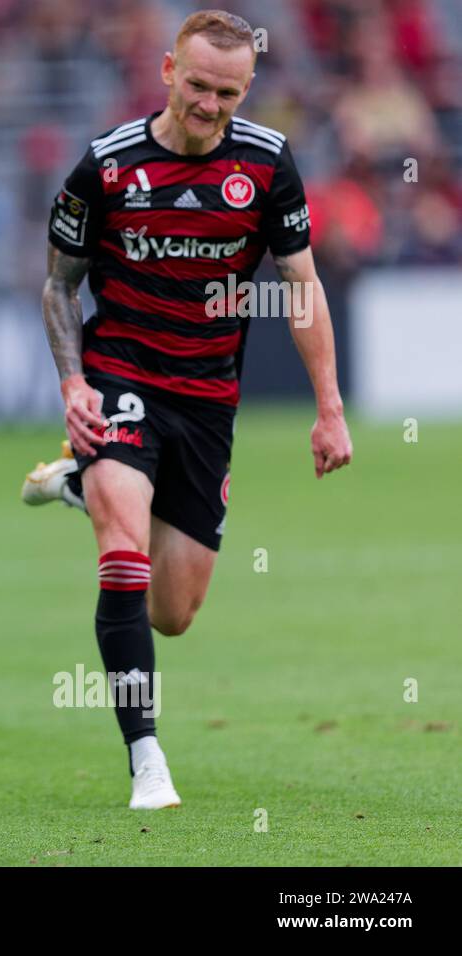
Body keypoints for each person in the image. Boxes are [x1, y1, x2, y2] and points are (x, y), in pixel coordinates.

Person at [21, 10, 352, 810]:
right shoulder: (106, 167)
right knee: (122, 549)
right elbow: (60, 288)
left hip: (207, 402)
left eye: (228, 93)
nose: (209, 105)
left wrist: (330, 408)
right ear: (168, 70)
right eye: (198, 85)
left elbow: (301, 286)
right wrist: (73, 385)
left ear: (247, 89)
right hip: (120, 375)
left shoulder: (268, 165)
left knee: (174, 612)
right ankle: (146, 760)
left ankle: (79, 484)